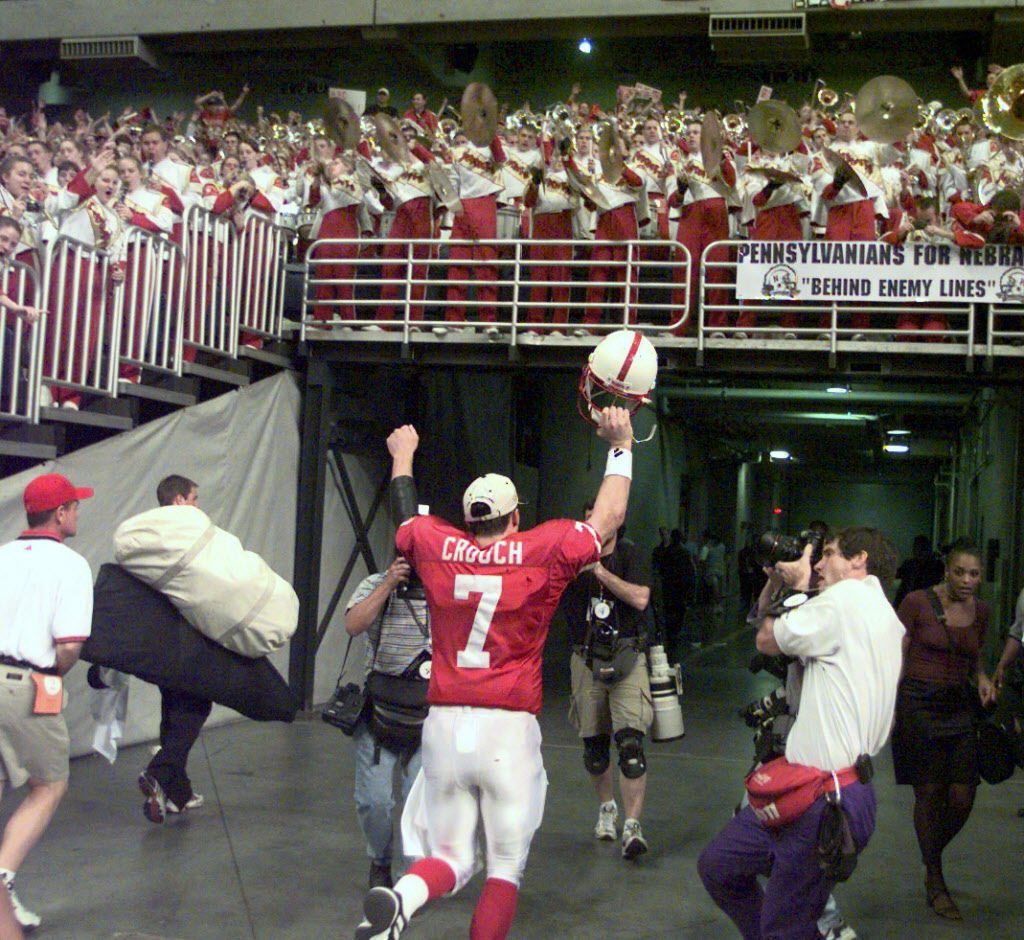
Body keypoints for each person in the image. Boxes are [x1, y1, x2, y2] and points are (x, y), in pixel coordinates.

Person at [354, 405, 636, 940]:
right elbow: (608, 522)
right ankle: (407, 908)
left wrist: (403, 457)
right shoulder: (539, 548)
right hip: (507, 726)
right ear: (515, 518)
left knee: (452, 857)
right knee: (504, 871)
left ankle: (401, 901)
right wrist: (620, 446)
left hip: (441, 724)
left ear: (469, 519)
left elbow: (405, 518)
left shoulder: (438, 545)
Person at [698, 526, 904, 939]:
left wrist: (797, 584)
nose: (820, 564)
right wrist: (784, 582)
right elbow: (768, 624)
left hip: (827, 800)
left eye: (827, 554)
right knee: (720, 865)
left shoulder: (845, 599)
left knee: (786, 926)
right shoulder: (877, 610)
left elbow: (767, 637)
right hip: (811, 788)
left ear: (859, 560)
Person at [0, 472, 94, 931]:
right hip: (27, 683)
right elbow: (68, 647)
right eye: (75, 506)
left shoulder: (0, 556)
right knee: (49, 783)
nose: (78, 512)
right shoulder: (70, 565)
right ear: (60, 514)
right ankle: (2, 886)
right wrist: (51, 676)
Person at [891, 539, 995, 921]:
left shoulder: (981, 611)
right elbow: (896, 654)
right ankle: (935, 880)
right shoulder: (917, 603)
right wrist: (890, 706)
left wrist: (982, 677)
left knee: (962, 797)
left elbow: (975, 655)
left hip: (959, 707)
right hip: (919, 703)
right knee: (931, 791)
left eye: (975, 574)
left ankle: (930, 855)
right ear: (946, 571)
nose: (967, 580)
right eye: (960, 572)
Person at [558, 501, 653, 860]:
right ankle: (607, 809)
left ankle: (632, 826)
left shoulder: (632, 555)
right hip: (585, 658)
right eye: (587, 518)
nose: (592, 524)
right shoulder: (569, 562)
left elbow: (641, 598)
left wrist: (599, 572)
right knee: (595, 750)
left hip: (627, 655)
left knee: (630, 747)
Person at [345, 555, 431, 890]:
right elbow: (353, 625)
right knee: (373, 801)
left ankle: (412, 877)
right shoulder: (375, 584)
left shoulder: (445, 588)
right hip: (379, 713)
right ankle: (380, 859)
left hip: (426, 715)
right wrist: (389, 584)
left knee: (417, 802)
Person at [136, 475, 211, 824]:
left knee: (174, 713)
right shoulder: (189, 536)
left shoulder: (149, 537)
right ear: (180, 501)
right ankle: (159, 771)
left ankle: (177, 795)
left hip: (159, 639)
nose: (198, 505)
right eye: (194, 498)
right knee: (193, 711)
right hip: (188, 637)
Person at [893, 535, 945, 609]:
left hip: (927, 602)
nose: (915, 551)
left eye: (918, 549)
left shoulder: (936, 566)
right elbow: (896, 575)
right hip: (907, 601)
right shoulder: (909, 564)